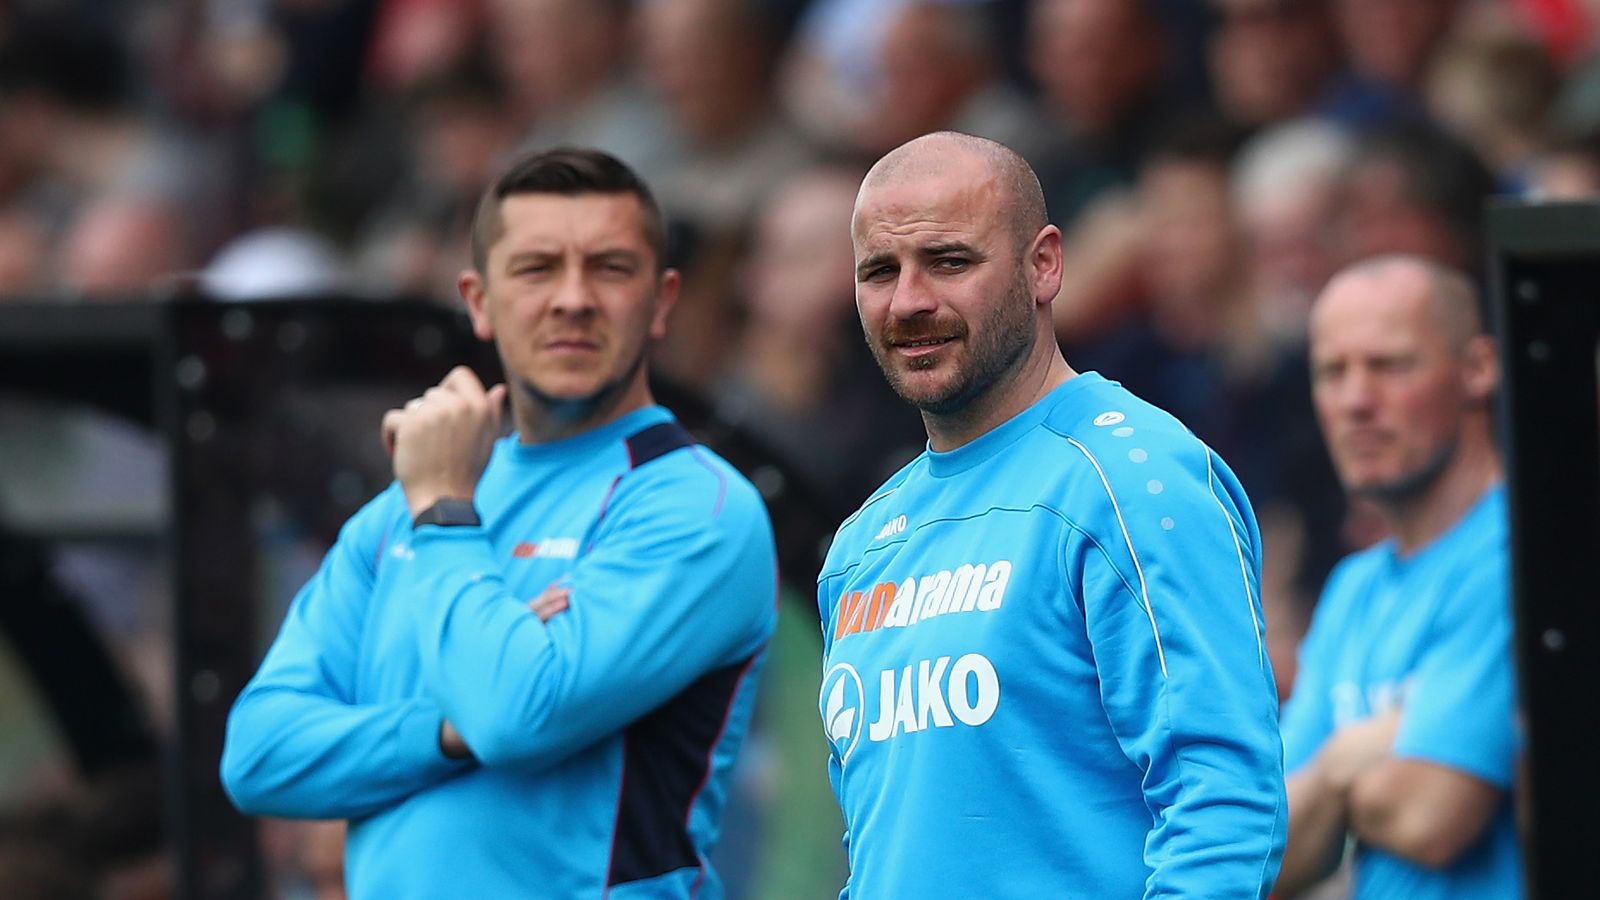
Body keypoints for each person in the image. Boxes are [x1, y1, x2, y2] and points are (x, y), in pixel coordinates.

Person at [220, 147, 778, 899]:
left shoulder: (696, 506)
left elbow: (519, 714)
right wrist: (449, 729)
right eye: (537, 268)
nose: (572, 298)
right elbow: (258, 756)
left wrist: (449, 516)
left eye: (610, 268)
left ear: (663, 301)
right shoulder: (400, 510)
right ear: (478, 301)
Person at [818, 131, 1285, 898]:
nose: (909, 301)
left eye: (950, 261)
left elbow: (1225, 807)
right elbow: (883, 848)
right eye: (881, 271)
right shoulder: (863, 543)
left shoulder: (1134, 478)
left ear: (1044, 264)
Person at [1275, 255, 1520, 898]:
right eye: (1333, 372)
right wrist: (1343, 765)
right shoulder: (1353, 588)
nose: (1356, 401)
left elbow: (1432, 814)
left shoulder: (1519, 558)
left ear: (1478, 369)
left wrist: (1326, 789)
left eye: (1390, 366)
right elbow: (1266, 851)